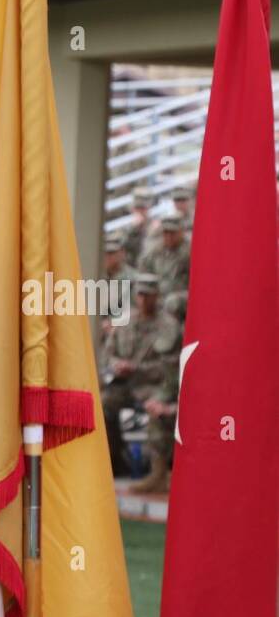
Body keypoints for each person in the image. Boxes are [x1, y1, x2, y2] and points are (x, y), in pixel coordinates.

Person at [101, 275, 181, 490]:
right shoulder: (125, 321)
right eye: (140, 294)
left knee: (157, 409)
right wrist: (117, 364)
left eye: (148, 295)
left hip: (155, 386)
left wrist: (136, 368)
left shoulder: (169, 326)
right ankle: (114, 462)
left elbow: (170, 367)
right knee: (103, 403)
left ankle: (158, 474)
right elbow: (108, 354)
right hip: (126, 384)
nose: (144, 300)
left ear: (157, 296)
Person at [138, 214, 191, 297]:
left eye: (173, 233)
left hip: (180, 300)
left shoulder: (189, 252)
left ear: (181, 232)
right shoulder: (155, 251)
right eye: (166, 232)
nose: (169, 236)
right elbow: (144, 272)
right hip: (156, 297)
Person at [123, 187, 154, 263]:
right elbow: (124, 248)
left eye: (143, 208)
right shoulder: (127, 228)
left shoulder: (155, 227)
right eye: (137, 208)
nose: (140, 211)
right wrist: (134, 229)